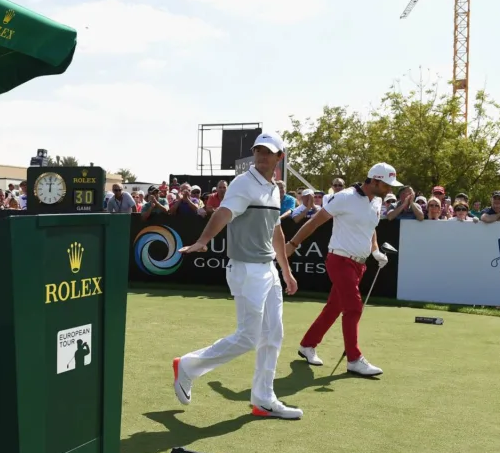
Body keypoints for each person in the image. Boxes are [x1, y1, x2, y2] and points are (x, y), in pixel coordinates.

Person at [172, 133, 302, 420]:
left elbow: (275, 231)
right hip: (246, 270)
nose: (262, 156)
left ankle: (263, 398)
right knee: (248, 337)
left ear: (280, 157)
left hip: (268, 268)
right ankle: (188, 367)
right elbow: (223, 212)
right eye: (258, 151)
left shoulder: (274, 189)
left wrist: (286, 270)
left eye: (268, 152)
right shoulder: (244, 183)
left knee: (273, 334)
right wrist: (203, 240)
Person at [283, 163, 403, 377]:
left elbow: (371, 228)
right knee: (354, 307)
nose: (390, 190)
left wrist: (375, 251)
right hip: (339, 260)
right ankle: (354, 359)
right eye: (387, 185)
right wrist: (292, 245)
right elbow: (314, 223)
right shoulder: (345, 197)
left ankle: (307, 345)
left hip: (360, 264)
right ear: (374, 181)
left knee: (333, 308)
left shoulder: (377, 200)